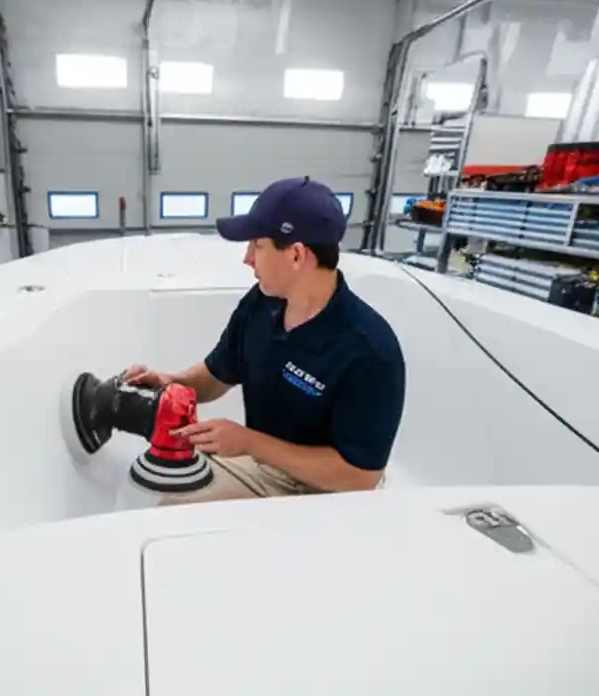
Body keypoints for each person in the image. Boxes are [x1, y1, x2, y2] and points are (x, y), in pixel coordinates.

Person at [123, 176, 406, 503]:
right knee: (156, 492)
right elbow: (218, 375)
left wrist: (249, 442)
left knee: (174, 509)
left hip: (329, 494)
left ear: (297, 255)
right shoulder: (261, 305)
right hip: (262, 466)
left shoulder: (370, 350)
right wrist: (169, 383)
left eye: (257, 245)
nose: (247, 258)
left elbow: (360, 478)